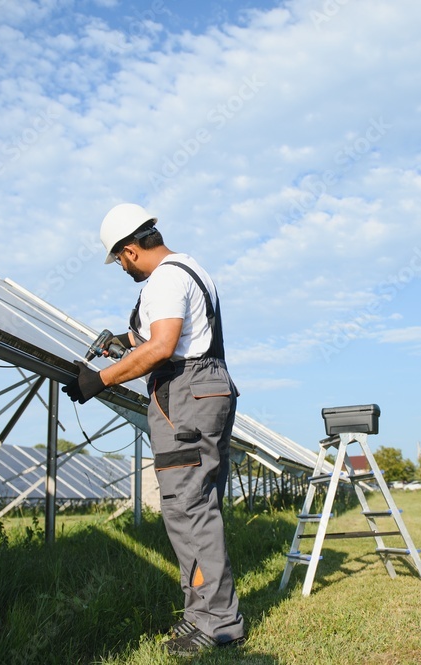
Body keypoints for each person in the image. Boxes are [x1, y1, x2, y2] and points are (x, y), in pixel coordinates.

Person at [61, 203, 245, 657]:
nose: (122, 268)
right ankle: (202, 615)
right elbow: (176, 335)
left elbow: (164, 347)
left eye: (119, 260)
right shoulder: (190, 267)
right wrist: (124, 342)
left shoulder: (163, 278)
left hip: (186, 395)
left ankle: (218, 623)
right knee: (197, 506)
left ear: (129, 251)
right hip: (207, 390)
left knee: (187, 509)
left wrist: (97, 381)